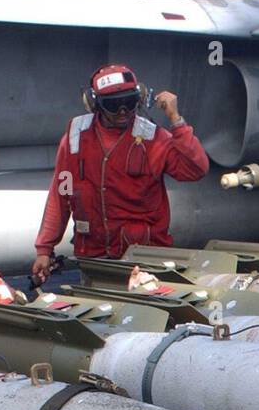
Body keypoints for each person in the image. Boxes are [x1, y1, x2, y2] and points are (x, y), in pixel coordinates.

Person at [32, 63, 209, 283]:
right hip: (95, 260)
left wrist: (176, 120)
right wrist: (44, 249)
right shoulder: (75, 139)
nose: (124, 112)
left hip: (144, 261)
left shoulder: (153, 139)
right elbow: (61, 195)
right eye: (114, 105)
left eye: (130, 102)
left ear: (140, 99)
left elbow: (196, 169)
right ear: (95, 104)